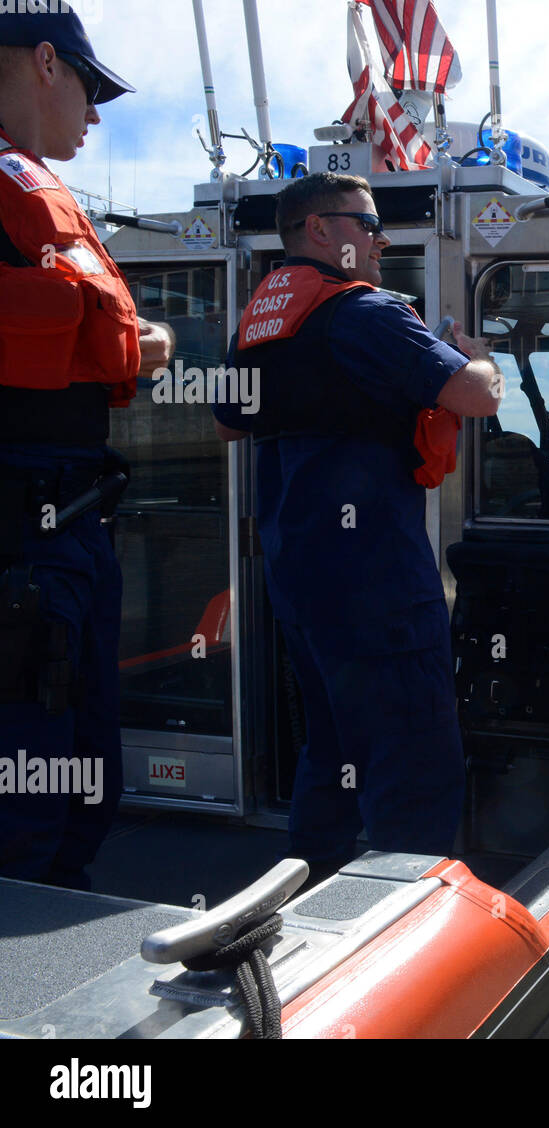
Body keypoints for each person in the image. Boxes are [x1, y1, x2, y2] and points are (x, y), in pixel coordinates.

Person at [212, 172, 502, 881]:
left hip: (301, 579)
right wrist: (479, 356)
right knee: (415, 761)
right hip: (376, 582)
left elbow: (226, 423)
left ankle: (302, 901)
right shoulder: (365, 313)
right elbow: (475, 396)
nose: (382, 239)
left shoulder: (258, 323)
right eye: (367, 224)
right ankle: (410, 936)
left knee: (333, 747)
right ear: (319, 231)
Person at [0, 10, 175, 889]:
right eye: (91, 87)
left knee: (78, 773)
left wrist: (111, 343)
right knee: (24, 794)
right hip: (22, 545)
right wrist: (112, 343)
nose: (97, 117)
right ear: (43, 62)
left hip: (67, 525)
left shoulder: (27, 191)